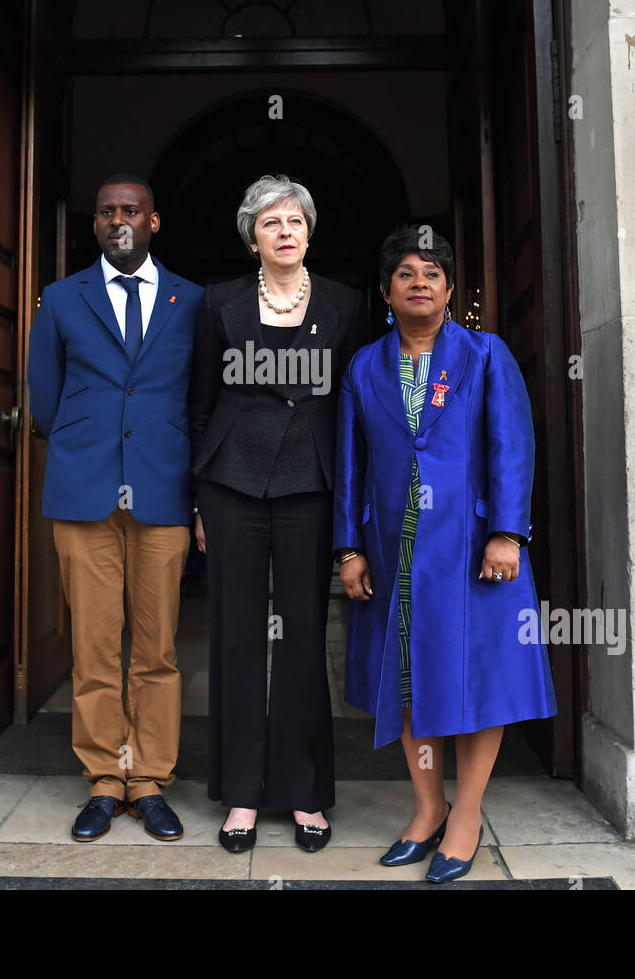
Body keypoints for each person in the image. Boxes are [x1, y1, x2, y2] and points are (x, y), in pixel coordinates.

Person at [333, 225, 556, 882]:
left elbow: (511, 446)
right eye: (406, 273)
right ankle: (429, 806)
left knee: (479, 676)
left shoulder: (486, 355)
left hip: (474, 547)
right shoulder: (364, 367)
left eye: (432, 273)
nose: (420, 282)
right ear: (385, 292)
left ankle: (467, 813)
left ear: (451, 290)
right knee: (407, 676)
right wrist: (349, 547)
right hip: (395, 548)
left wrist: (509, 533)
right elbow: (351, 464)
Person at [190, 174, 368, 853]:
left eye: (295, 220)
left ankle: (303, 792)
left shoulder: (347, 304)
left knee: (301, 638)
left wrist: (354, 508)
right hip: (231, 483)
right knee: (234, 636)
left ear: (310, 230)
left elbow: (352, 410)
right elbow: (200, 401)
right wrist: (196, 498)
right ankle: (240, 792)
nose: (285, 231)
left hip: (310, 485)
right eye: (271, 223)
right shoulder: (219, 303)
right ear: (252, 236)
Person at [27, 174, 203, 843]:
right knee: (93, 645)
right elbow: (46, 396)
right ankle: (105, 778)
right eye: (107, 211)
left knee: (155, 648)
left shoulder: (193, 300)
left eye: (131, 209)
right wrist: (86, 444)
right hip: (83, 492)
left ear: (153, 222)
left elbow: (198, 396)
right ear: (94, 224)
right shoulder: (63, 299)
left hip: (162, 491)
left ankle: (150, 778)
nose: (119, 219)